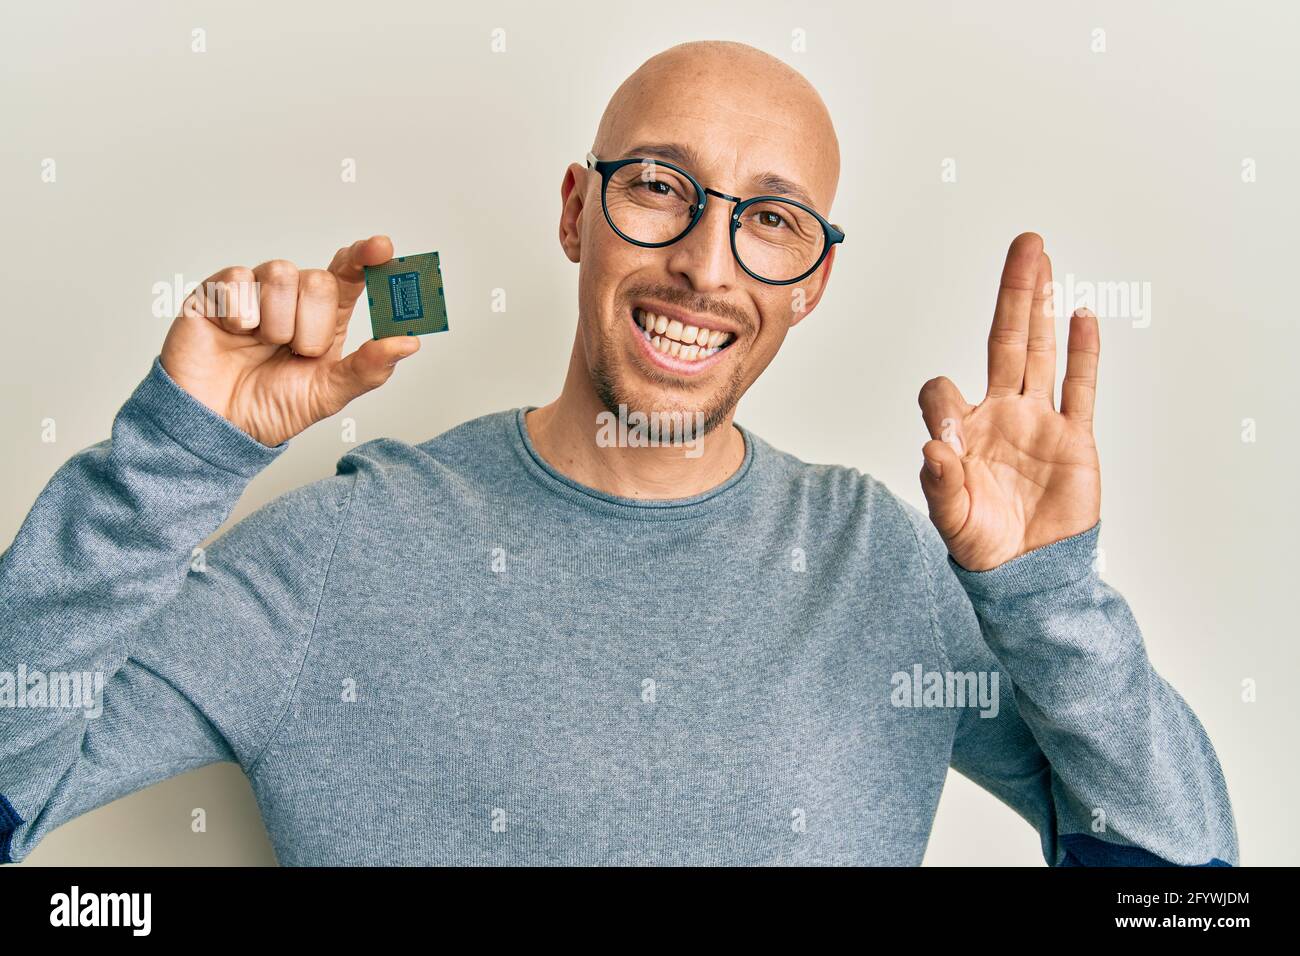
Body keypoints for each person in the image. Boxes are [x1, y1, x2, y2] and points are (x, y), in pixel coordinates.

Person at [0, 40, 1236, 866]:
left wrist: (1050, 601)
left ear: (810, 284)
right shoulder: (339, 551)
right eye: (659, 187)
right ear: (575, 212)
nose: (705, 262)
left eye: (770, 220)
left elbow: (1182, 885)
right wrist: (171, 455)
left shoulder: (877, 564)